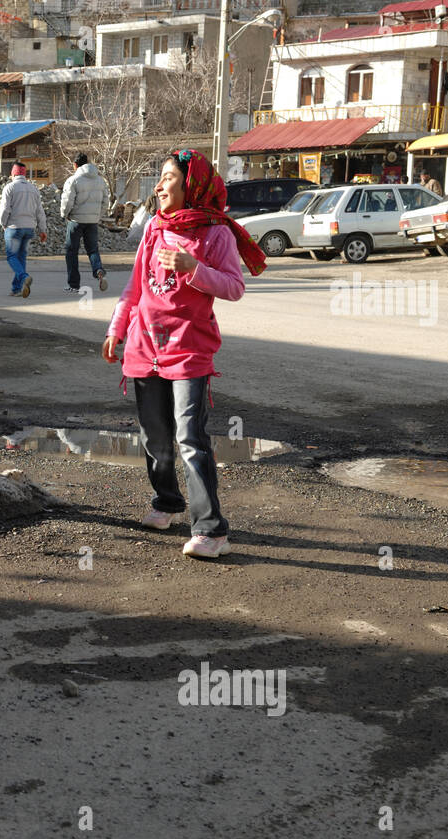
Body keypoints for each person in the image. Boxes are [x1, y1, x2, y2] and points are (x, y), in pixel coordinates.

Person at [102, 148, 267, 559]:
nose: (158, 186)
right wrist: (117, 328)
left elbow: (234, 287)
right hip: (145, 347)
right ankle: (167, 502)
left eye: (167, 177)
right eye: (158, 177)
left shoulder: (215, 233)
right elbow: (135, 289)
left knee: (190, 438)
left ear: (190, 185)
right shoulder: (155, 229)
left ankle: (211, 531)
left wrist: (193, 266)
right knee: (155, 437)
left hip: (188, 350)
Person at [61, 153, 110, 293]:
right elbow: (106, 202)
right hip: (92, 221)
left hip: (76, 220)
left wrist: (64, 215)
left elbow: (67, 201)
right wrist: (97, 216)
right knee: (93, 249)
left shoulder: (73, 180)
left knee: (71, 252)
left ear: (75, 165)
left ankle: (74, 284)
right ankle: (98, 270)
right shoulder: (100, 181)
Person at [0, 162, 48, 298]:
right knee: (21, 258)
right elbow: (40, 212)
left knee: (11, 256)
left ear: (13, 174)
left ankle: (24, 276)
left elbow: (5, 209)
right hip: (29, 228)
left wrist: (3, 224)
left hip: (14, 227)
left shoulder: (10, 188)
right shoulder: (34, 189)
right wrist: (42, 230)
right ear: (24, 174)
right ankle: (17, 288)